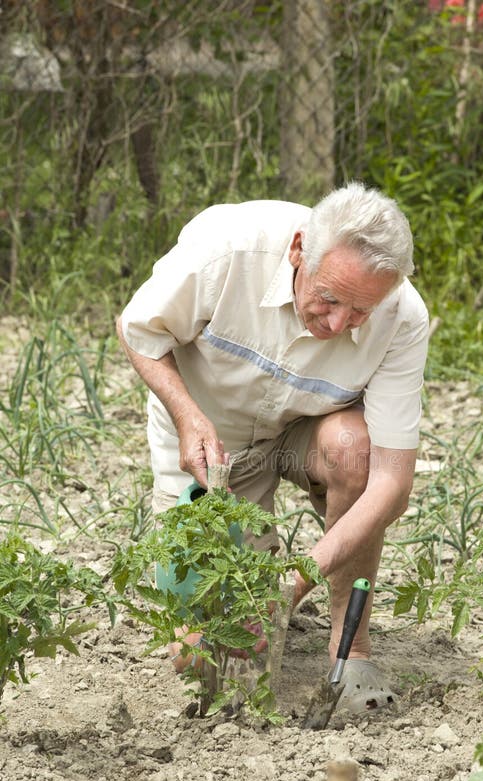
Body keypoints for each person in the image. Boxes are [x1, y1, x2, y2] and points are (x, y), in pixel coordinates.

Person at [116, 182, 429, 713]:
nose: (336, 325)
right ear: (298, 249)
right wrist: (187, 416)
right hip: (208, 445)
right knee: (200, 650)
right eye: (328, 299)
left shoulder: (403, 317)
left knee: (356, 449)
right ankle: (219, 611)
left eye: (359, 314)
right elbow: (139, 330)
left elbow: (391, 484)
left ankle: (349, 651)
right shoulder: (227, 249)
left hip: (301, 432)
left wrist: (297, 578)